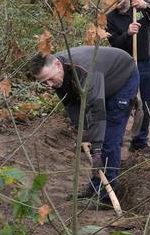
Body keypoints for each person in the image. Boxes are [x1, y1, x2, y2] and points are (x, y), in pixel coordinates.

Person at [26, 46, 138, 206]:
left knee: (110, 137)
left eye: (50, 79)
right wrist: (84, 133)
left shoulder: (85, 71)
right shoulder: (58, 75)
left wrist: (97, 150)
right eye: (45, 82)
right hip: (103, 82)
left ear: (57, 64)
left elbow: (97, 111)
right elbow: (71, 104)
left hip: (122, 79)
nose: (50, 85)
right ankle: (95, 186)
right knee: (97, 139)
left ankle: (106, 195)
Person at [104, 0, 150, 150]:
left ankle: (140, 141)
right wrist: (127, 33)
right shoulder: (110, 18)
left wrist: (147, 6)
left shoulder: (139, 6)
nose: (117, 4)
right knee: (124, 103)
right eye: (113, 1)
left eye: (120, 0)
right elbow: (115, 44)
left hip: (146, 63)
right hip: (125, 65)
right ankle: (115, 141)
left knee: (145, 103)